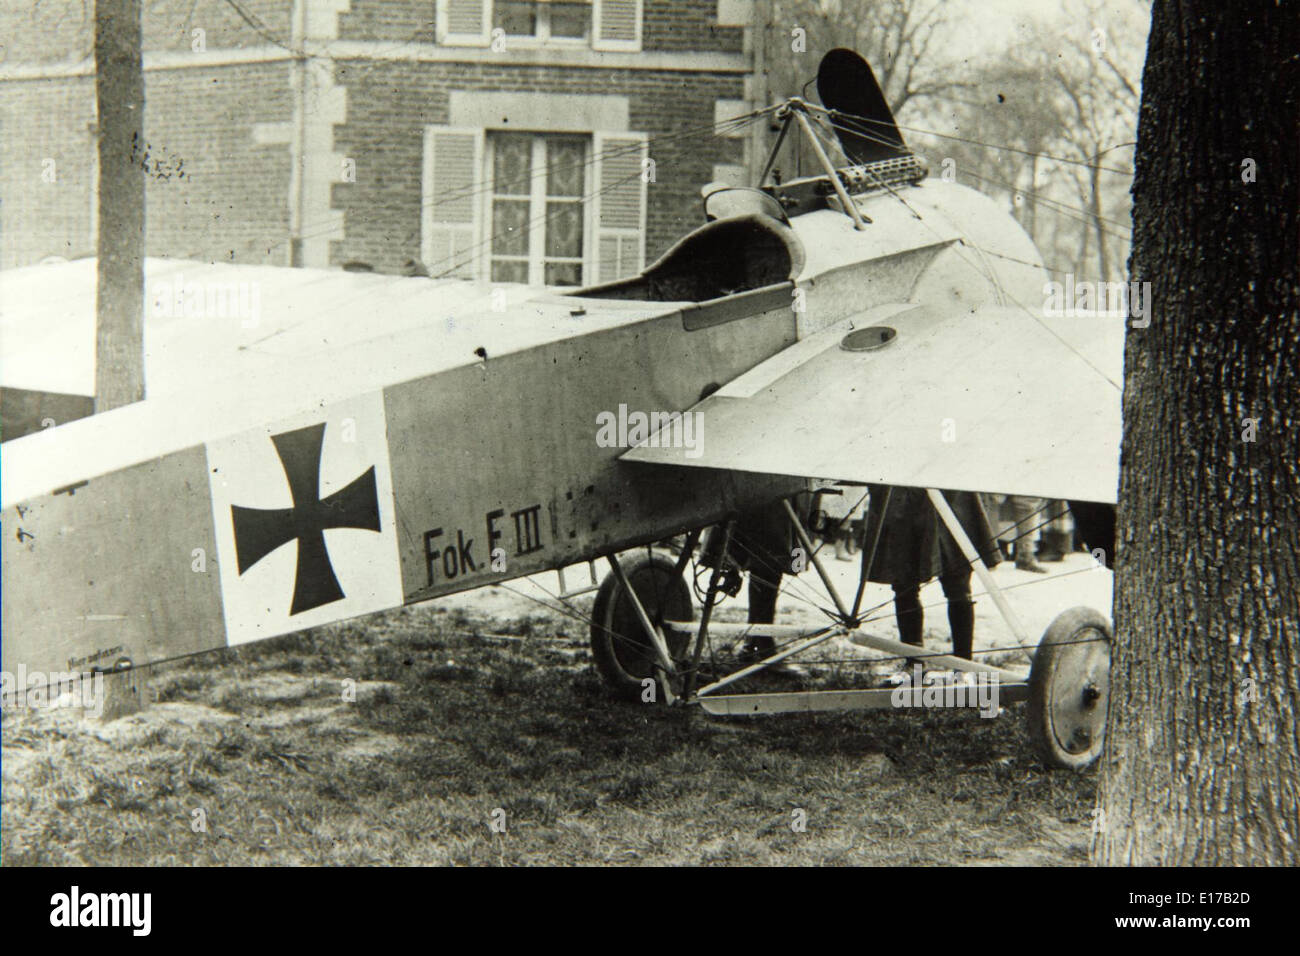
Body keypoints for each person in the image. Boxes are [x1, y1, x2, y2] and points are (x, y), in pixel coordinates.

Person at [863, 486, 1002, 660]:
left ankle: (963, 665)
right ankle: (914, 666)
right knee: (904, 583)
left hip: (951, 496)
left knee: (958, 583)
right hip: (905, 498)